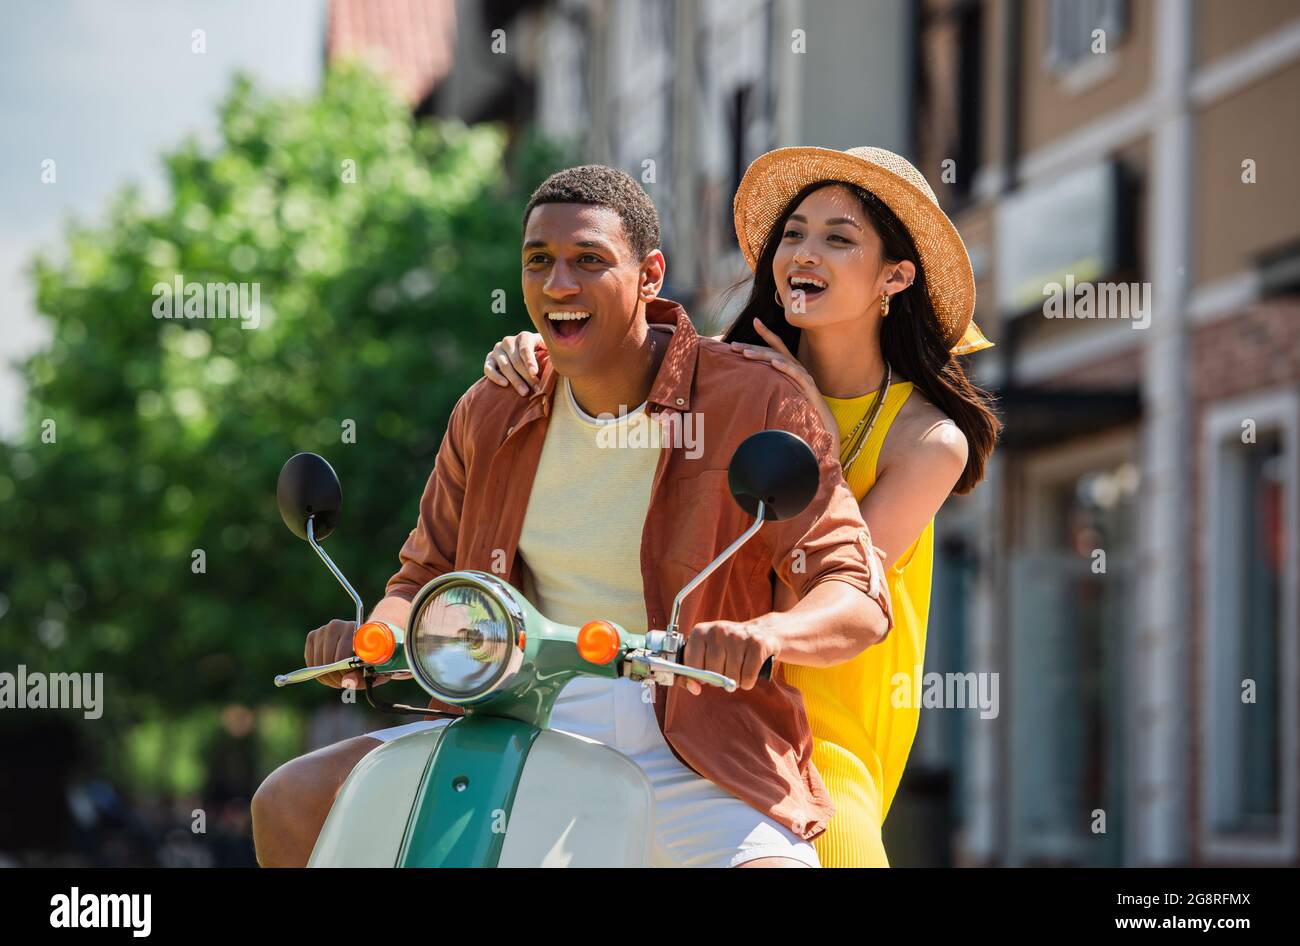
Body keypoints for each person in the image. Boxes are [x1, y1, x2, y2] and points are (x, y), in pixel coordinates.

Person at [251, 164, 894, 868]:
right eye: (539, 261)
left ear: (650, 275)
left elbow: (856, 596)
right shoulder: (492, 406)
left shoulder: (752, 400)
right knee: (290, 800)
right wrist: (375, 638)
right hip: (509, 715)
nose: (559, 284)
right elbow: (424, 576)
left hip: (692, 740)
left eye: (589, 260)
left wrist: (761, 634)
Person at [482, 146, 999, 866]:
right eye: (793, 233)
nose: (802, 254)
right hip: (694, 704)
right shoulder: (726, 378)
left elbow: (816, 582)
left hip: (828, 730)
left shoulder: (927, 438)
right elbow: (616, 371)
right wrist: (539, 351)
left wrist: (801, 413)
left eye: (837, 237)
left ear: (895, 277)